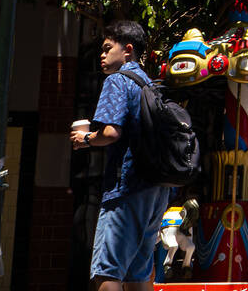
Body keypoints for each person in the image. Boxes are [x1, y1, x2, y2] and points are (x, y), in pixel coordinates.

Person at [72, 20, 172, 291]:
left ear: (127, 50)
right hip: (156, 189)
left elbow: (111, 133)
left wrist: (86, 139)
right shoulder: (149, 83)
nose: (102, 55)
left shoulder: (117, 80)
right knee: (138, 275)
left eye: (107, 48)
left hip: (125, 188)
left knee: (107, 272)